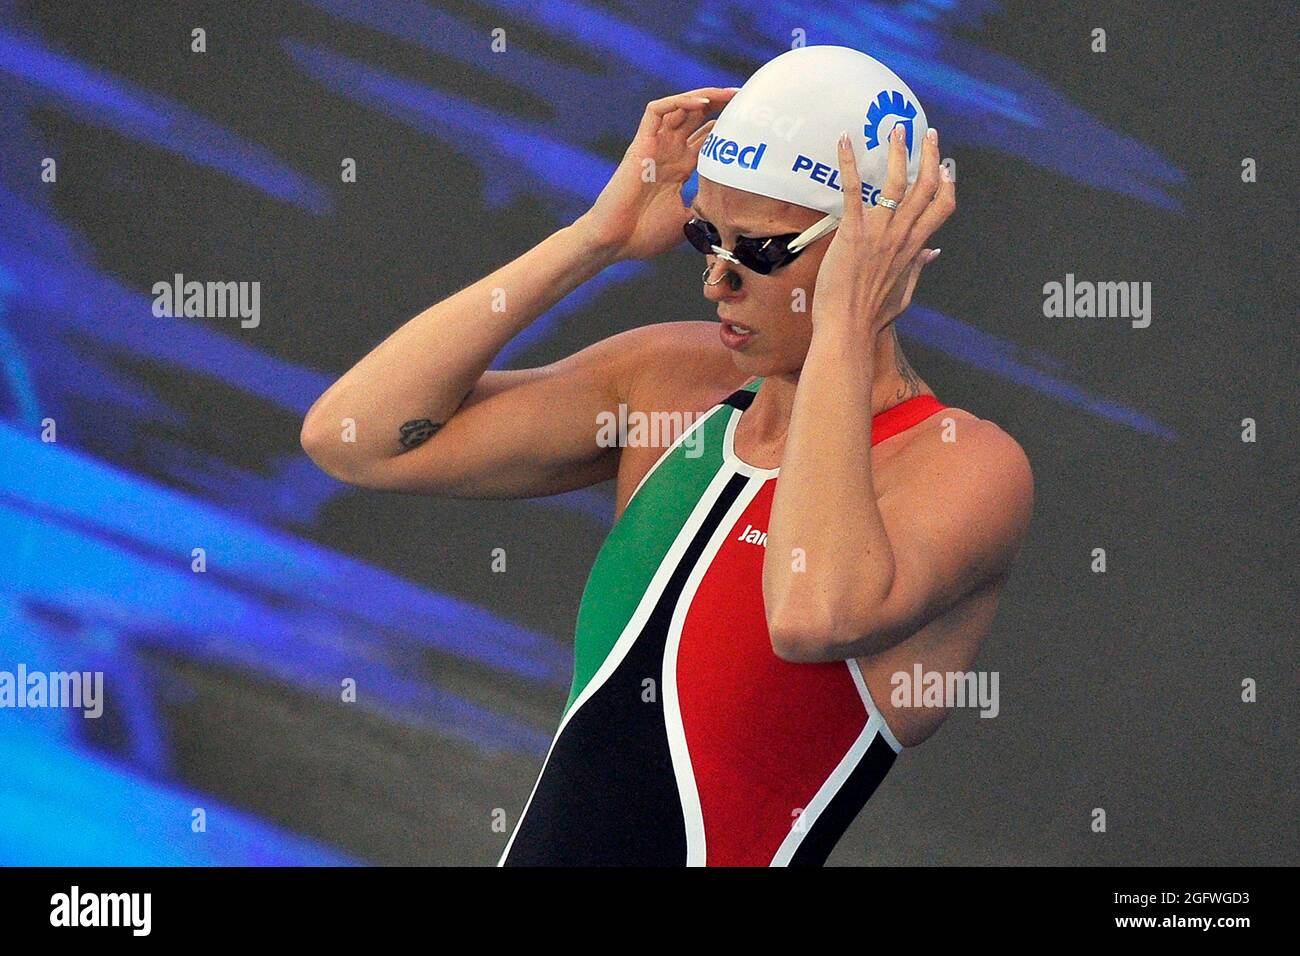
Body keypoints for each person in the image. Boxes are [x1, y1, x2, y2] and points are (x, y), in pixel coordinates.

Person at [300, 45, 1034, 866]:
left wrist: (846, 328)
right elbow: (353, 438)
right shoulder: (670, 386)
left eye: (758, 252)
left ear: (876, 250)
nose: (716, 283)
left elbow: (810, 613)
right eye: (703, 239)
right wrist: (594, 238)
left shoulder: (958, 463)